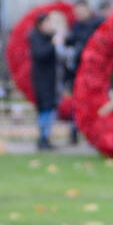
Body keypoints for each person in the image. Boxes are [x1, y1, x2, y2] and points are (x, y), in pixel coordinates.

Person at [27, 10, 65, 150]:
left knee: (50, 108)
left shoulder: (50, 36)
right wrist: (53, 45)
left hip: (52, 79)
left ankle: (46, 137)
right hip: (42, 80)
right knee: (45, 108)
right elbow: (39, 54)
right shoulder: (36, 37)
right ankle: (43, 137)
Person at [63, 0, 101, 142]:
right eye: (77, 12)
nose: (79, 14)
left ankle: (93, 133)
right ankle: (74, 131)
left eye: (81, 11)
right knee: (76, 103)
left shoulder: (95, 24)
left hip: (92, 71)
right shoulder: (75, 27)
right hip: (76, 71)